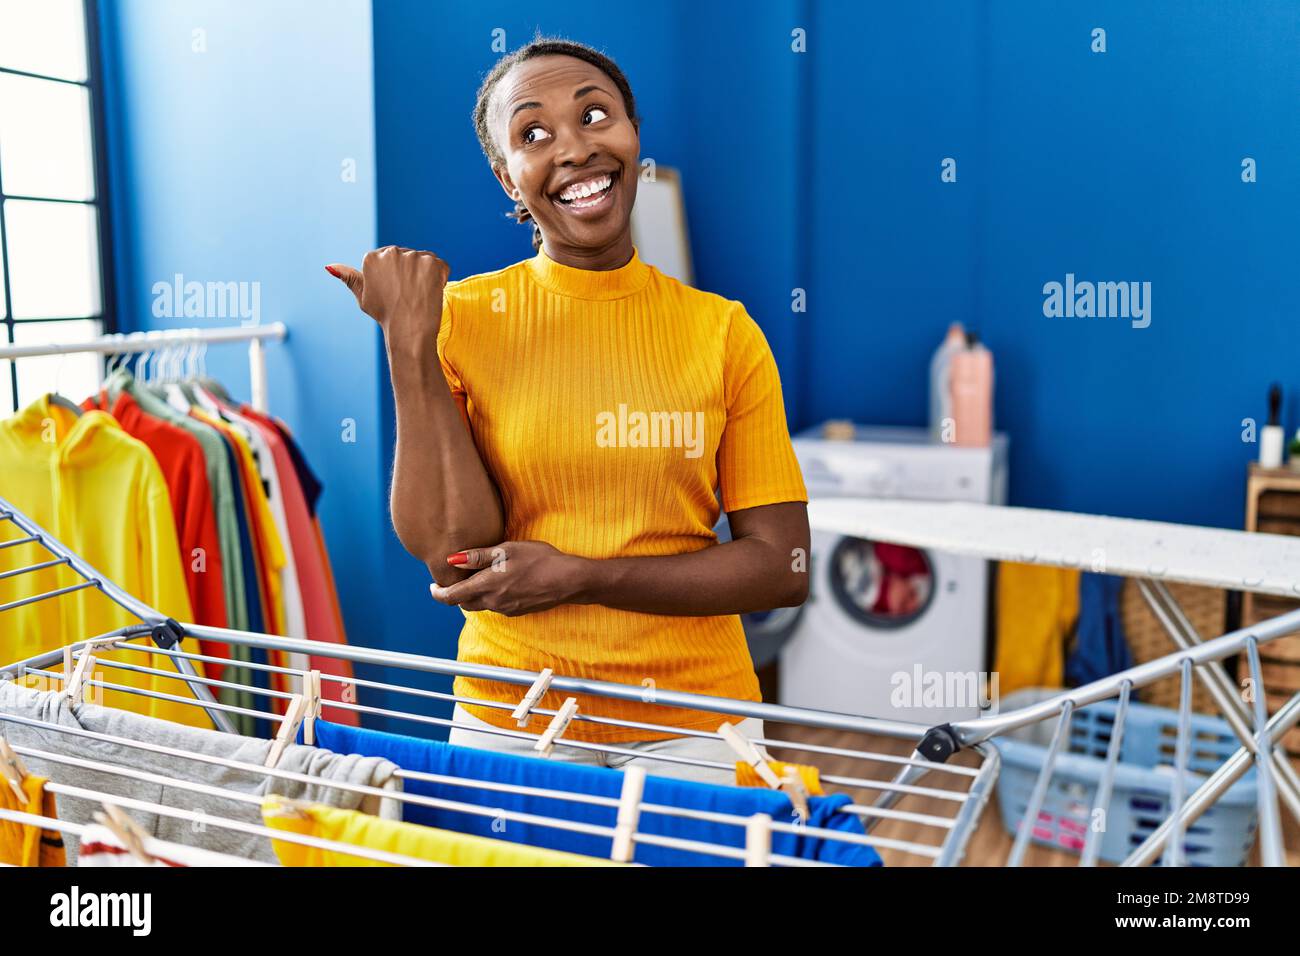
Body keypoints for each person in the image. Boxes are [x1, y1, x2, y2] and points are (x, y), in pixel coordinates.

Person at [327, 38, 809, 785]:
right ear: (508, 178)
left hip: (694, 723)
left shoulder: (724, 332)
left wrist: (584, 576)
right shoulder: (463, 319)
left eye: (595, 115)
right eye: (534, 133)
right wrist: (408, 345)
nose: (576, 148)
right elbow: (452, 552)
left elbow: (782, 566)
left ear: (633, 136)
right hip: (511, 714)